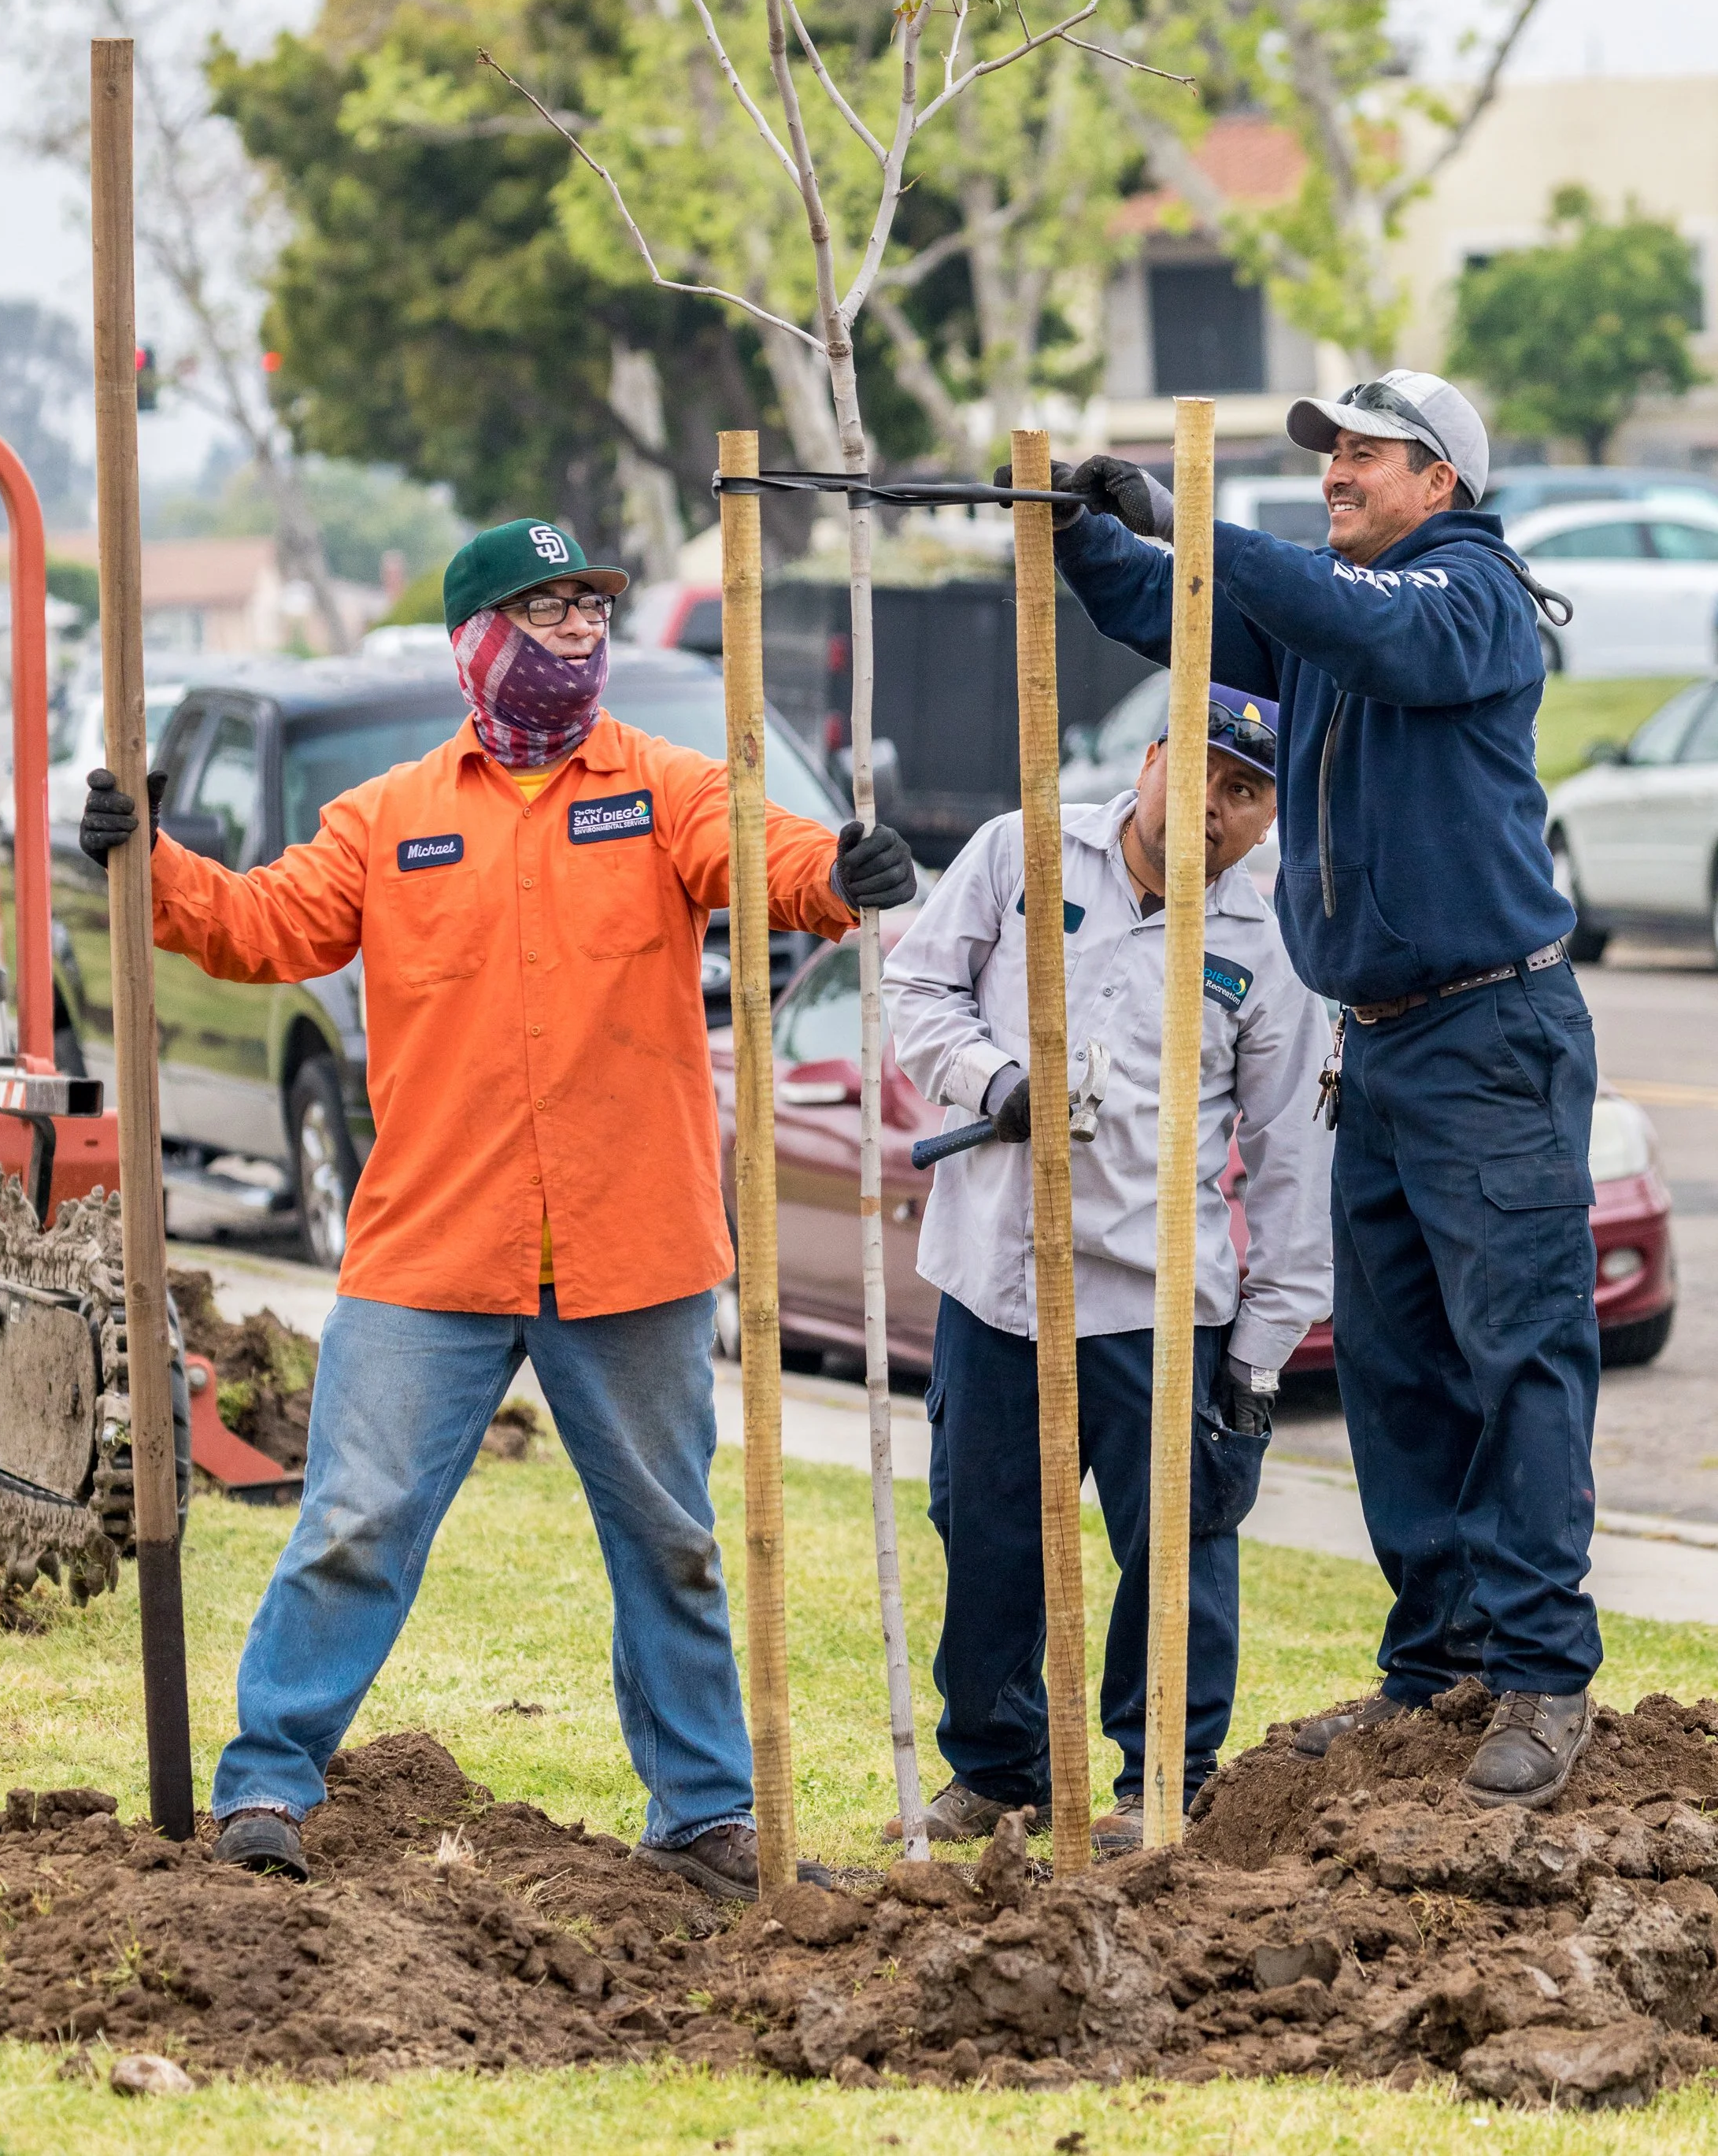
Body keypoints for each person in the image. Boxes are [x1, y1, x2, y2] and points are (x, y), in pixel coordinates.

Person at [81, 516, 917, 1895]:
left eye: (593, 606)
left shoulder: (662, 787)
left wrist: (838, 875)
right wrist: (150, 861)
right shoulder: (388, 816)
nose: (581, 629)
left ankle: (703, 1816)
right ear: (478, 638)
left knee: (670, 1546)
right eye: (549, 608)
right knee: (352, 1527)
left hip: (634, 1251)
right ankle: (267, 1789)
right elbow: (260, 924)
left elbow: (765, 856)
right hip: (430, 1249)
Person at [1040, 372, 1601, 1810]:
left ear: (1440, 482)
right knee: (1396, 1373)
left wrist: (1192, 519)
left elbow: (1365, 626)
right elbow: (1177, 615)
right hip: (1387, 1044)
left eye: (1365, 454)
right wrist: (1085, 535)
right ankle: (1435, 1671)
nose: (1336, 473)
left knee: (1518, 1359)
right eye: (1330, 454)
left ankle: (1541, 1672)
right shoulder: (1336, 611)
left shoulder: (1468, 598)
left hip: (1493, 1037)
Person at [881, 687, 1331, 1847]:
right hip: (998, 1281)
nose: (1214, 808)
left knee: (1174, 1549)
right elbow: (915, 991)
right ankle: (998, 1775)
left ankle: (1161, 1785)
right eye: (1200, 774)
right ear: (1149, 760)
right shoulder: (1020, 852)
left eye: (1246, 793)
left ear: (1270, 815)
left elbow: (1291, 1156)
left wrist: (1262, 1350)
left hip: (1157, 1302)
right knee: (984, 1536)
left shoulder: (1269, 940)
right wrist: (991, 1081)